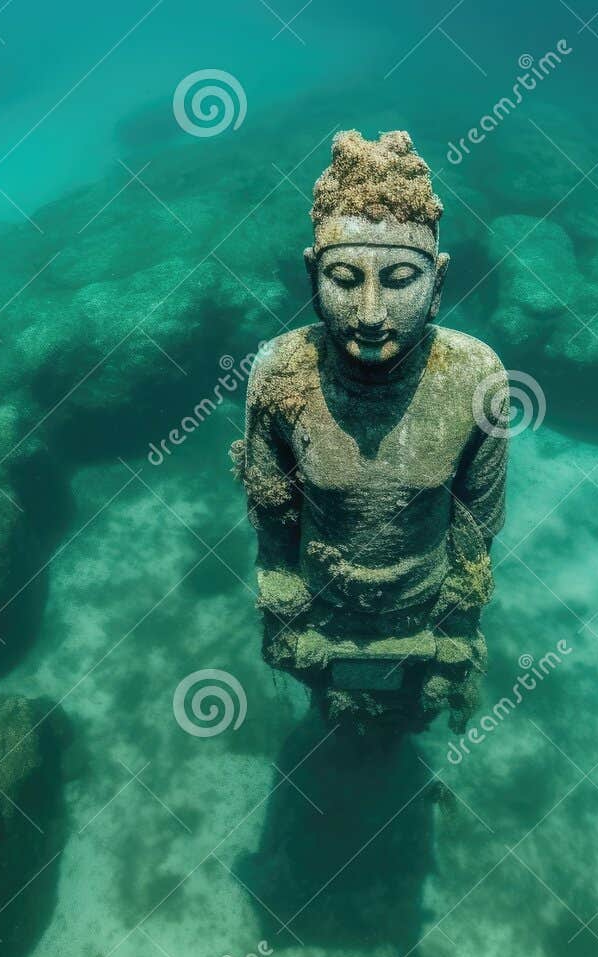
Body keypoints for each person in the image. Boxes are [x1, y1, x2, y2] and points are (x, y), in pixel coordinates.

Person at [233, 129, 508, 732]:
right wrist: (283, 615)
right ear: (313, 278)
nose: (372, 314)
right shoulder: (280, 375)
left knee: (406, 721)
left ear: (437, 285)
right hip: (323, 606)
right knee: (337, 716)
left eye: (401, 279)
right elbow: (273, 515)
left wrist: (459, 629)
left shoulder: (475, 377)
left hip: (423, 607)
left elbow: (476, 525)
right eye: (346, 279)